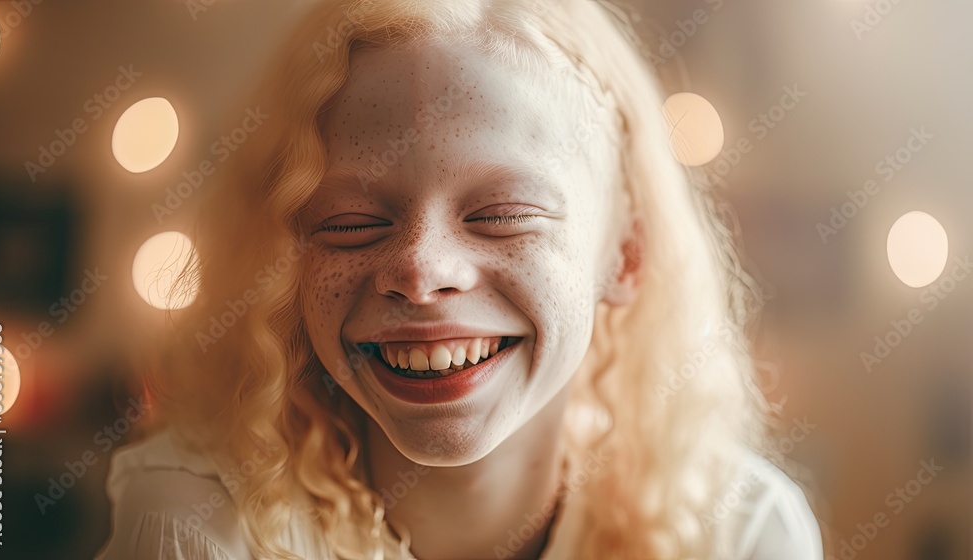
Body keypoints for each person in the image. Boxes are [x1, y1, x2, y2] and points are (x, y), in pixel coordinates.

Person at [97, 0, 824, 558]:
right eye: (349, 222)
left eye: (503, 214)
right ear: (287, 259)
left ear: (624, 258)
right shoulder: (195, 520)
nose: (420, 271)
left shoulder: (739, 533)